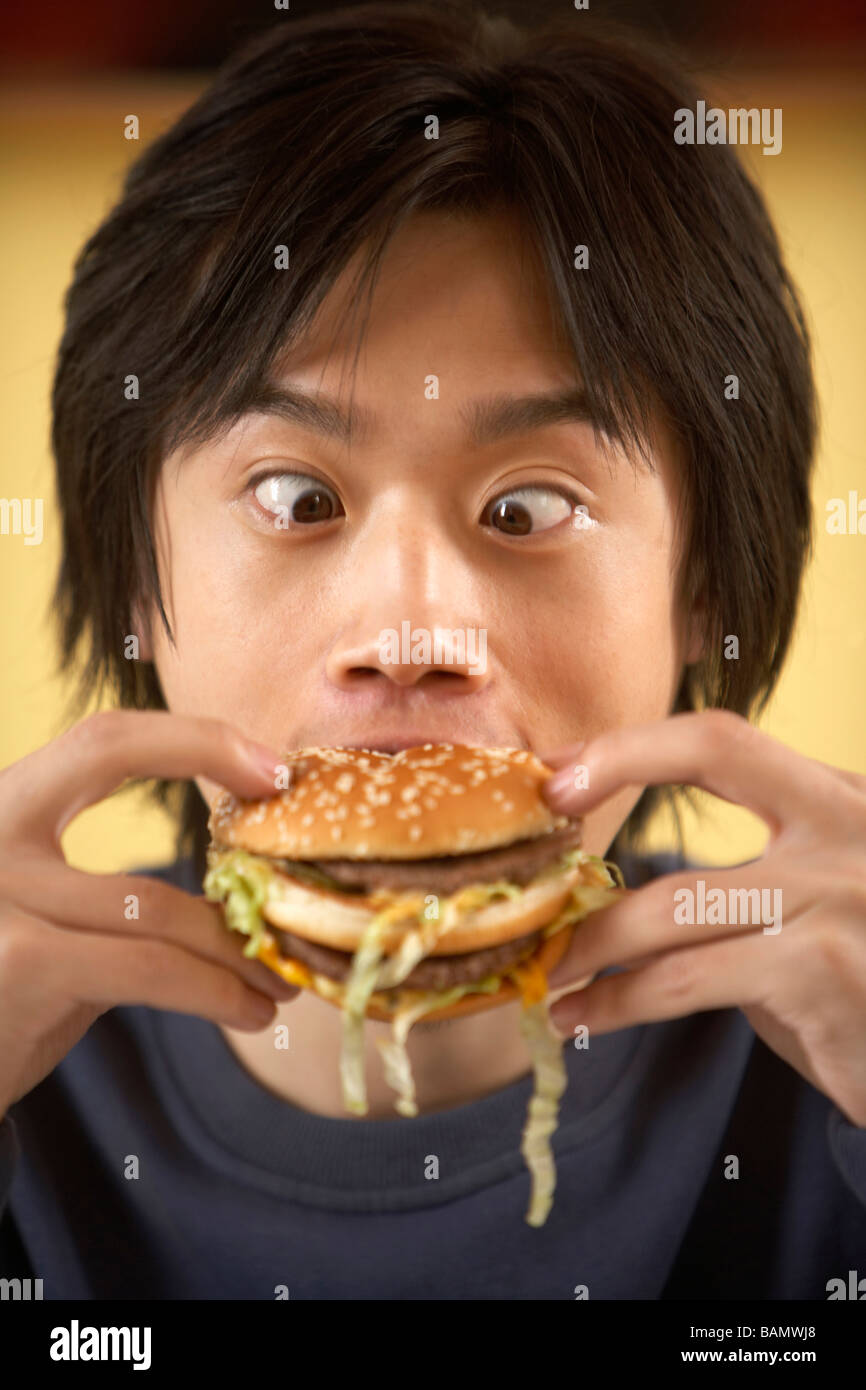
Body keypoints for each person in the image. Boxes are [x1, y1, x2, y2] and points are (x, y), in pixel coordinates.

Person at [1, 3, 863, 1300]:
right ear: (135, 572)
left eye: (527, 508)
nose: (408, 633)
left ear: (702, 584)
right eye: (294, 497)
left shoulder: (826, 1051)